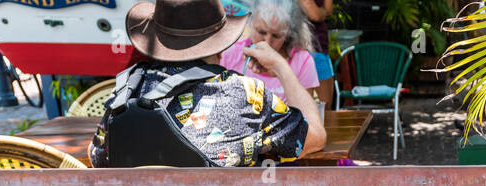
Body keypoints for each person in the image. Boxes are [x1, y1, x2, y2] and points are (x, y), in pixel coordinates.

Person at [89, 0, 325, 168]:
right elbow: (315, 136)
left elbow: (97, 156)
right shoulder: (243, 95)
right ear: (219, 45)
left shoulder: (129, 89)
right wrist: (280, 66)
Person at [219, 0, 318, 98]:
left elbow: (305, 112)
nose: (267, 42)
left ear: (287, 33)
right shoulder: (230, 54)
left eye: (276, 36)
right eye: (261, 32)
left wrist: (280, 69)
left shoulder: (302, 61)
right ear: (250, 24)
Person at [299, 0, 334, 109]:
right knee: (312, 108)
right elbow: (315, 14)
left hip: (318, 46)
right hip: (303, 47)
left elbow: (328, 10)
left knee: (324, 107)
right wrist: (320, 12)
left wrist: (320, 13)